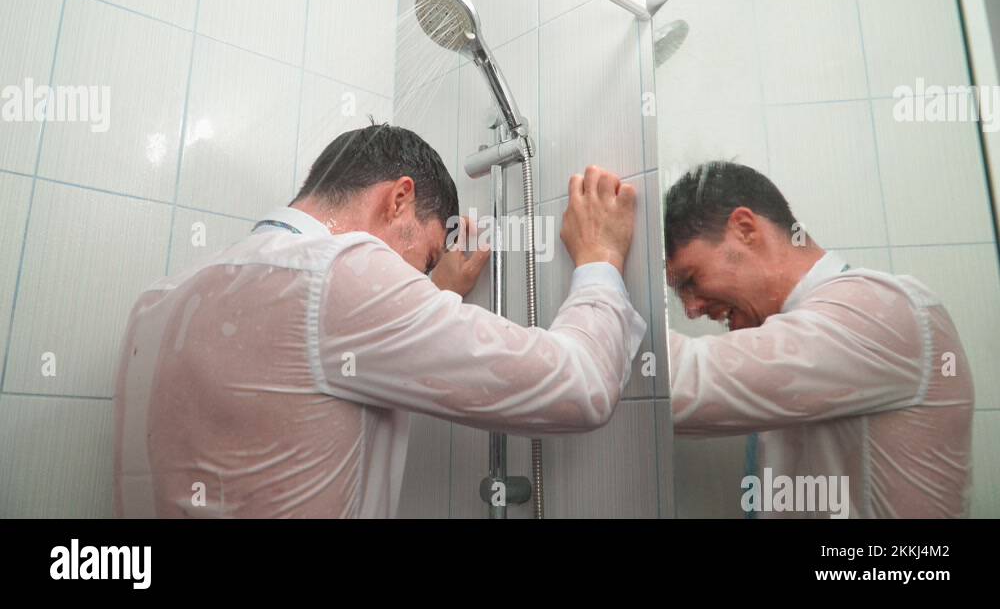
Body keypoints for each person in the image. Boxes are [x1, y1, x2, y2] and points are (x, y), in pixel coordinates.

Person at [113, 121, 646, 518]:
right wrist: (599, 257)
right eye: (428, 256)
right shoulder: (343, 273)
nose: (417, 278)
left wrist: (436, 287)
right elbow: (582, 386)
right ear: (398, 200)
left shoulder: (162, 299)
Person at [664, 161, 974, 518]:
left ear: (745, 229)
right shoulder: (793, 328)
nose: (691, 309)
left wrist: (601, 266)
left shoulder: (881, 311)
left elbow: (677, 385)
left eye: (690, 280)